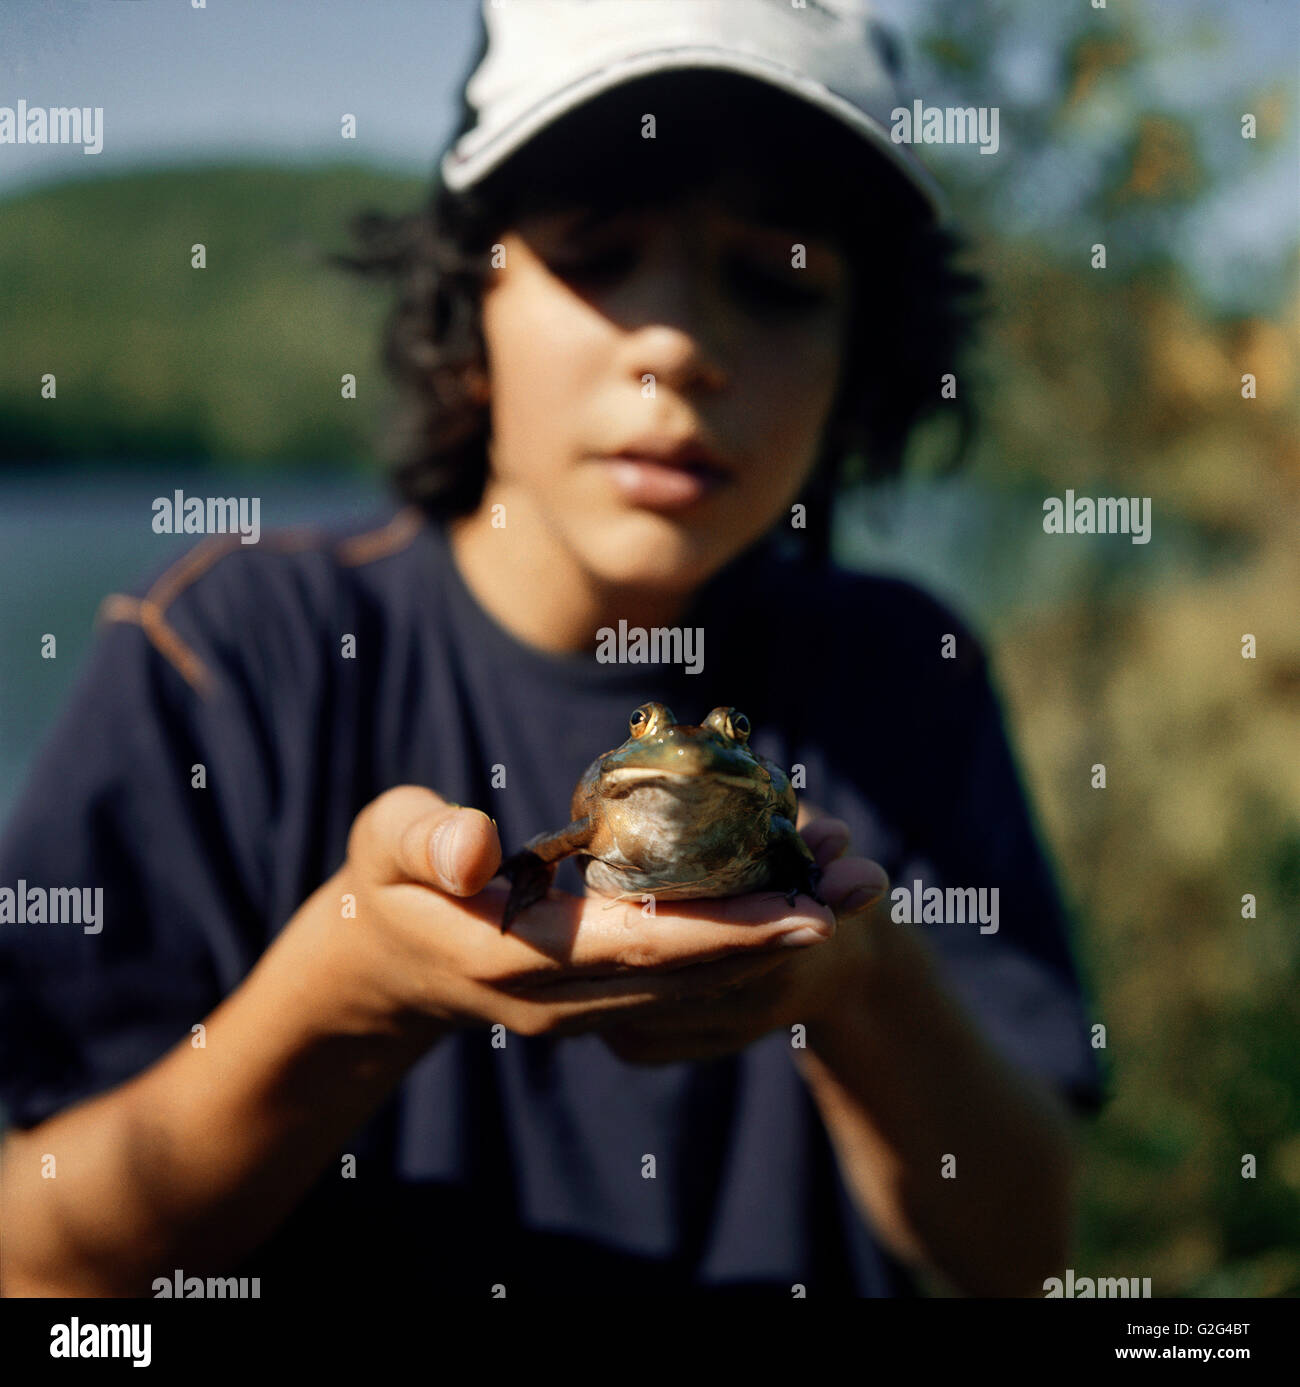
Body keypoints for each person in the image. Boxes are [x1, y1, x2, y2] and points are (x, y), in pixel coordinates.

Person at [0, 0, 1104, 1297]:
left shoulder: (905, 671)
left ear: (865, 357)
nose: (679, 348)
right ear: (470, 308)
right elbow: (39, 1263)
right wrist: (350, 992)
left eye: (780, 279)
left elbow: (1023, 1255)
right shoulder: (224, 653)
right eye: (596, 253)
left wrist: (861, 989)